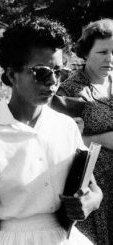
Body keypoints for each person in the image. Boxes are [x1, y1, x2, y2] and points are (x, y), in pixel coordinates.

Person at [0, 17, 103, 245]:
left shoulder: (66, 126)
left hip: (65, 238)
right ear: (12, 75)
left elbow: (94, 190)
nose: (52, 82)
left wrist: (89, 202)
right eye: (41, 72)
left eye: (59, 72)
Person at [58, 18, 113, 245]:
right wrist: (102, 139)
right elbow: (62, 143)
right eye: (102, 52)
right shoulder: (70, 90)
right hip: (94, 187)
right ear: (85, 53)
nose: (110, 58)